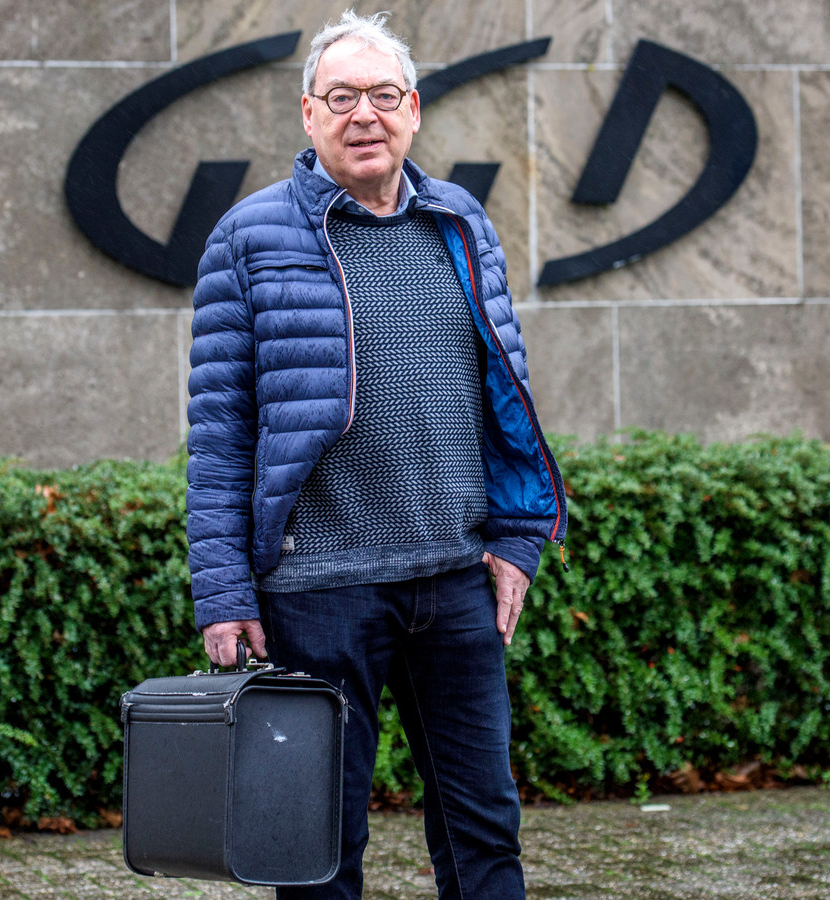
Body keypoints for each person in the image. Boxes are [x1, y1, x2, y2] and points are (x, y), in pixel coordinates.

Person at [185, 10, 568, 899]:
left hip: (455, 581)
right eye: (342, 96)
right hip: (316, 592)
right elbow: (219, 433)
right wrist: (225, 591)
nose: (365, 114)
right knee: (315, 838)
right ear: (308, 113)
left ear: (414, 110)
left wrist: (517, 538)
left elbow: (505, 393)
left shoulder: (460, 221)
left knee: (485, 826)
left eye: (384, 95)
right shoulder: (247, 237)